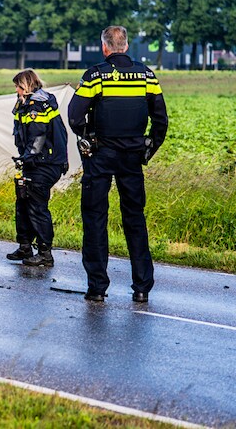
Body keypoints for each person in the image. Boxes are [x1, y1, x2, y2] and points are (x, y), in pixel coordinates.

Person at [68, 26, 168, 303]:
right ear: (125, 45)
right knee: (135, 219)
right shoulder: (147, 75)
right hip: (133, 156)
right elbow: (161, 120)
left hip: (100, 155)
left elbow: (74, 116)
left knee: (95, 218)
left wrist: (88, 136)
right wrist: (148, 149)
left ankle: (97, 288)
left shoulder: (95, 75)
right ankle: (141, 288)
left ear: (105, 47)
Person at [9, 69, 69, 267]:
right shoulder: (29, 103)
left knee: (36, 206)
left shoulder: (37, 105)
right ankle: (25, 246)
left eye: (18, 87)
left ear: (25, 86)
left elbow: (38, 136)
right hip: (37, 162)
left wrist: (27, 158)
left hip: (44, 163)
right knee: (23, 202)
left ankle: (45, 253)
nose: (16, 91)